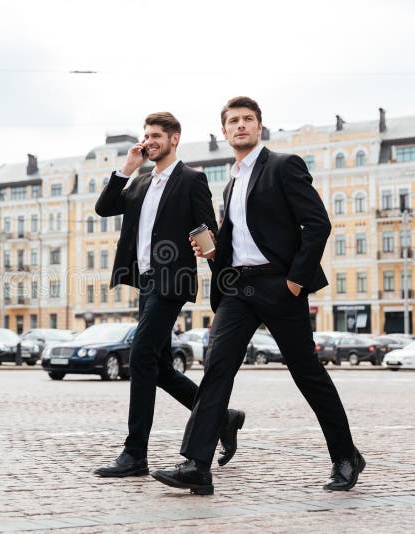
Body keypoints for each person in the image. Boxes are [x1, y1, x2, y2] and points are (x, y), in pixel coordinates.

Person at [151, 97, 363, 495]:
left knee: (307, 374)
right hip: (237, 289)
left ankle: (346, 456)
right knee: (216, 369)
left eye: (248, 119)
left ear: (259, 127)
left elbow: (317, 224)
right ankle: (197, 464)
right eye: (233, 121)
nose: (241, 126)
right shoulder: (231, 183)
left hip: (279, 285)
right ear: (226, 131)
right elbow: (238, 244)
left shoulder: (283, 165)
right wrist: (214, 253)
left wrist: (295, 283)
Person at [93, 112, 245, 478]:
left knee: (141, 354)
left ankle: (135, 454)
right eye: (147, 136)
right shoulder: (140, 182)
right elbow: (104, 208)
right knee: (159, 367)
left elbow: (206, 227)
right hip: (144, 281)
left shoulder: (192, 179)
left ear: (174, 139)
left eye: (157, 136)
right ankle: (222, 418)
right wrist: (128, 167)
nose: (150, 142)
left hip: (171, 279)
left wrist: (212, 257)